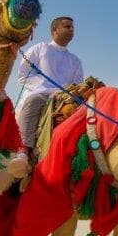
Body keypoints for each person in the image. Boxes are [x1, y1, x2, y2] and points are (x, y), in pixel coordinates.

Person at [15, 16, 83, 153]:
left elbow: (77, 85)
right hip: (41, 95)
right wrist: (46, 88)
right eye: (67, 26)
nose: (72, 30)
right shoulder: (40, 48)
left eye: (72, 27)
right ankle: (23, 152)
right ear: (55, 30)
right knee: (33, 101)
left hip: (65, 97)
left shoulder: (75, 60)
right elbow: (23, 75)